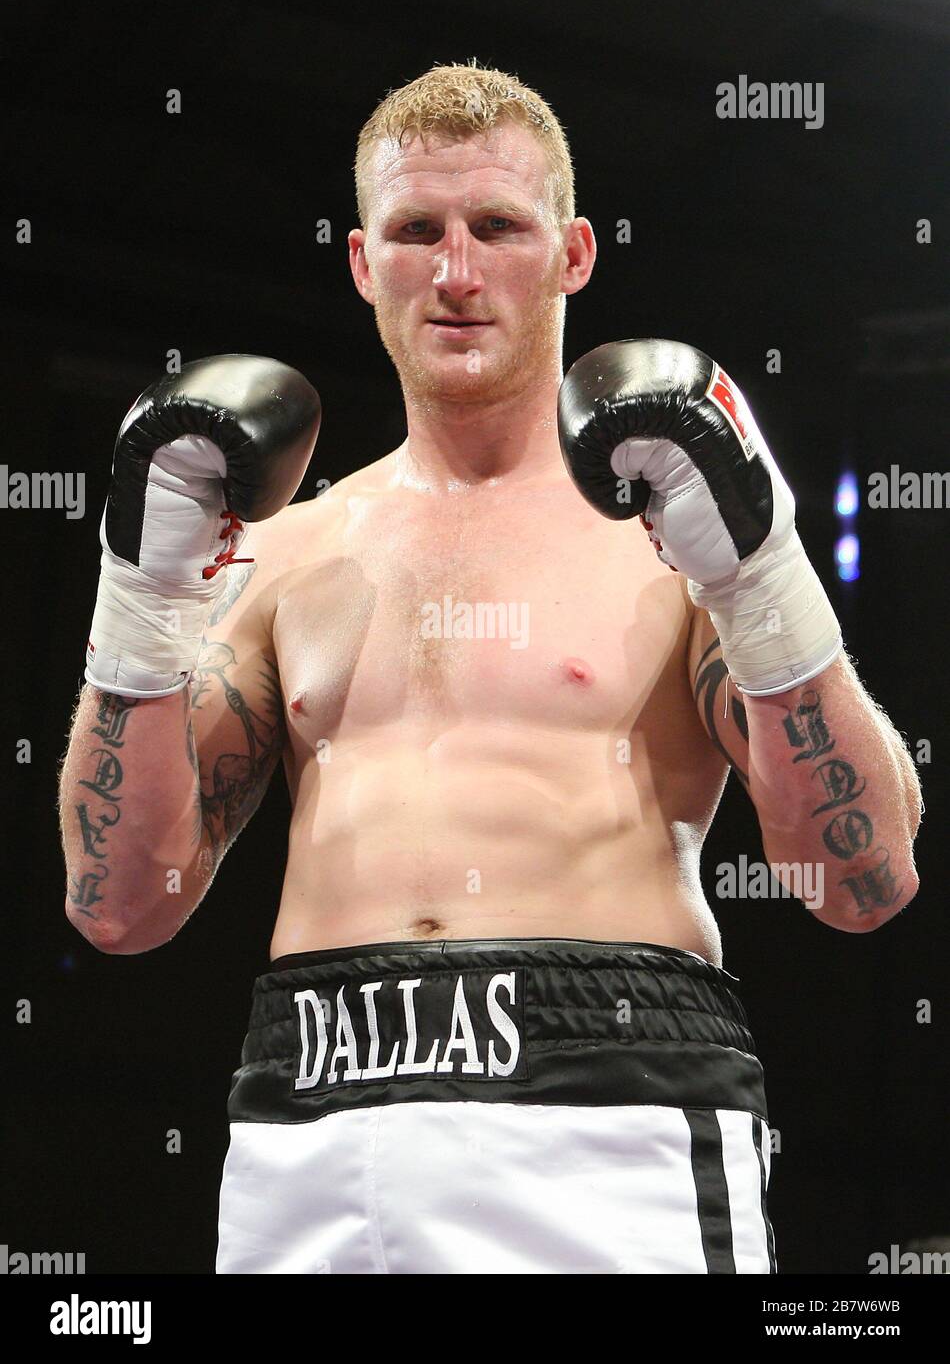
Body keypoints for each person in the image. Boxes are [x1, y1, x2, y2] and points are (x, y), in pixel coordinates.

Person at [59, 62, 922, 1274]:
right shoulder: (281, 557)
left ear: (570, 253)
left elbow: (862, 878)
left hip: (599, 1101)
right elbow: (117, 903)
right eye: (416, 231)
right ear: (363, 262)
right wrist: (140, 599)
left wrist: (761, 576)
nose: (455, 273)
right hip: (309, 1109)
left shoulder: (672, 551)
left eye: (495, 228)